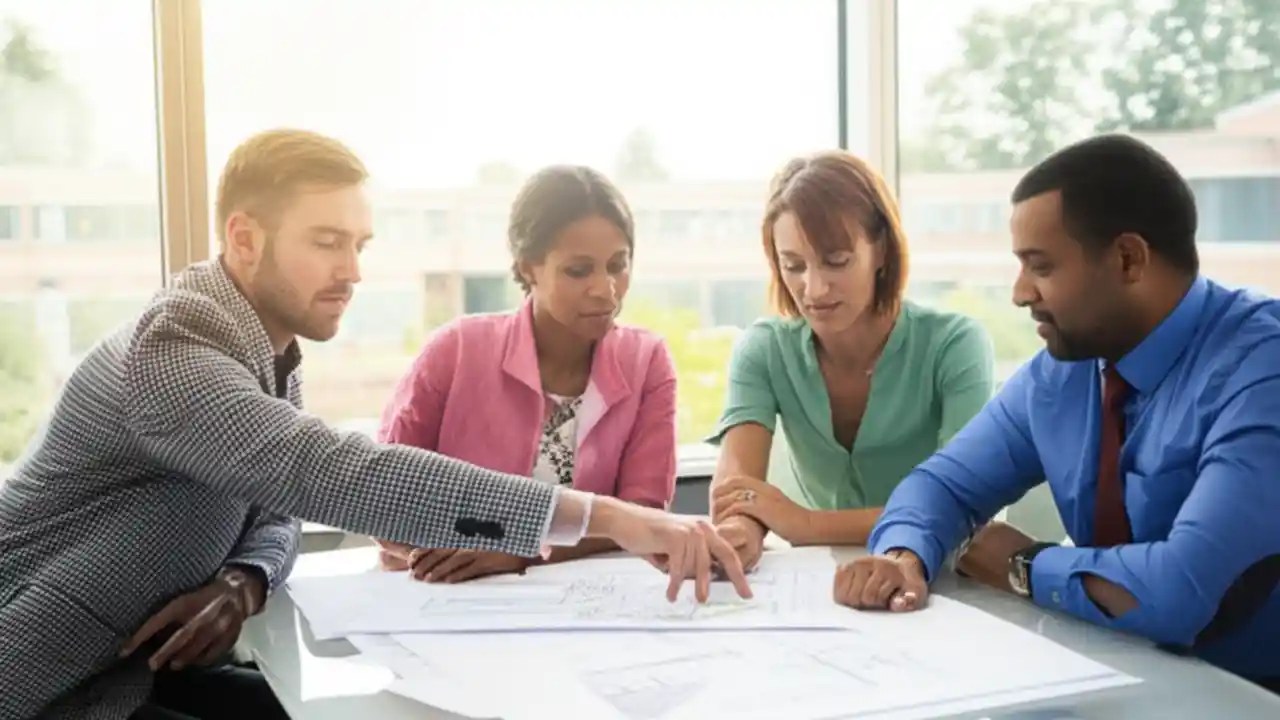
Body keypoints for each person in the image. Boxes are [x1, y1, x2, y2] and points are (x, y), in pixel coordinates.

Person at [0, 129, 750, 720]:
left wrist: (242, 581)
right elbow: (333, 474)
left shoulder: (265, 356)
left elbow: (278, 514)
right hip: (38, 687)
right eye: (327, 242)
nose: (354, 271)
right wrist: (610, 517)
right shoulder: (174, 353)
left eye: (359, 246)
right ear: (245, 239)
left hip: (126, 677)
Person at [837, 134, 1280, 691]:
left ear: (1128, 259)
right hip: (1110, 670)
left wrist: (1024, 566)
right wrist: (904, 557)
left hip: (1250, 690)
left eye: (1040, 267)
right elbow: (943, 485)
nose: (1020, 293)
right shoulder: (1067, 369)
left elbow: (1184, 590)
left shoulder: (1262, 369)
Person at [376, 165, 677, 583]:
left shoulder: (647, 361)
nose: (605, 289)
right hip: (442, 594)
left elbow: (644, 518)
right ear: (528, 267)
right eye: (579, 270)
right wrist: (460, 551)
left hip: (581, 598)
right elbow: (384, 496)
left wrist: (523, 551)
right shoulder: (456, 350)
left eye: (617, 265)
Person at [707, 150, 994, 570]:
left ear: (882, 250)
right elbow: (738, 490)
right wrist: (741, 530)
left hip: (934, 573)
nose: (814, 289)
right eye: (793, 265)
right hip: (812, 579)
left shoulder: (955, 345)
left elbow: (964, 505)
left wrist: (805, 524)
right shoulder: (763, 350)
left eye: (836, 262)